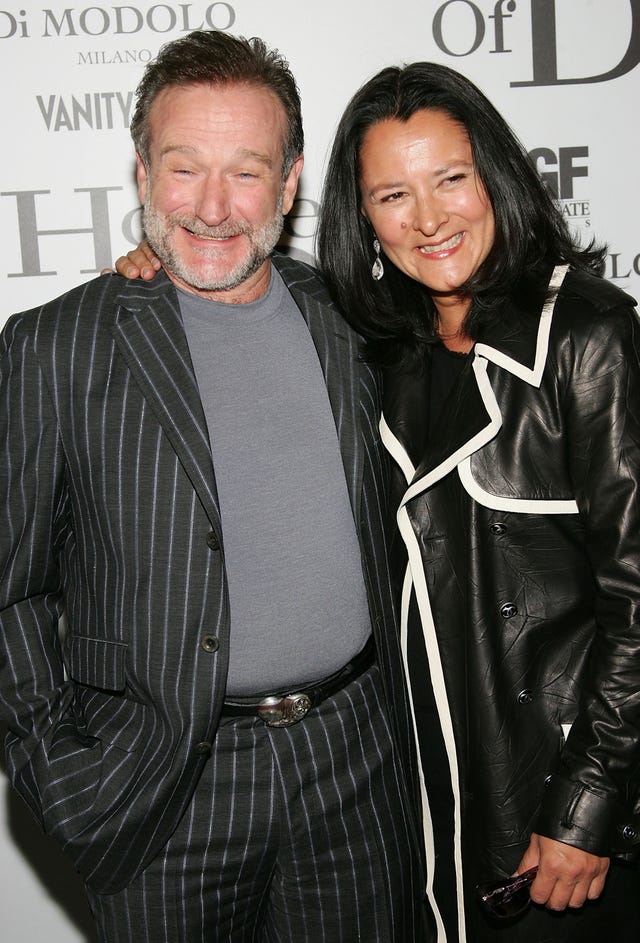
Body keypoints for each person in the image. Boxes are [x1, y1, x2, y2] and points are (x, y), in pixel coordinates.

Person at [0, 30, 427, 943]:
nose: (211, 207)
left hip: (356, 761)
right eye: (183, 167)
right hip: (159, 788)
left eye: (246, 171)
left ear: (291, 180)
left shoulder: (355, 324)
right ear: (143, 173)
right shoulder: (54, 346)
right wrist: (57, 770)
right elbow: (12, 591)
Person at [313, 61, 640, 942]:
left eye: (450, 179)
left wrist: (586, 802)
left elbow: (638, 600)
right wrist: (152, 269)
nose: (429, 218)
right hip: (417, 812)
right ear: (365, 220)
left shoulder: (587, 335)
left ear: (494, 177)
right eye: (392, 194)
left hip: (553, 812)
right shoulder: (373, 351)